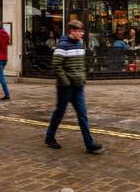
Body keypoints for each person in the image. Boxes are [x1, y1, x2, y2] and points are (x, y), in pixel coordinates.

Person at [44, 20, 103, 154]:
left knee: (83, 115)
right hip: (66, 87)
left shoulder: (80, 45)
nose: (82, 33)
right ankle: (49, 137)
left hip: (78, 87)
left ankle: (89, 144)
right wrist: (66, 82)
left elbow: (81, 65)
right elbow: (56, 66)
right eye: (79, 31)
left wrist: (82, 78)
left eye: (82, 31)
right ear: (72, 31)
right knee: (59, 113)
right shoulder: (62, 46)